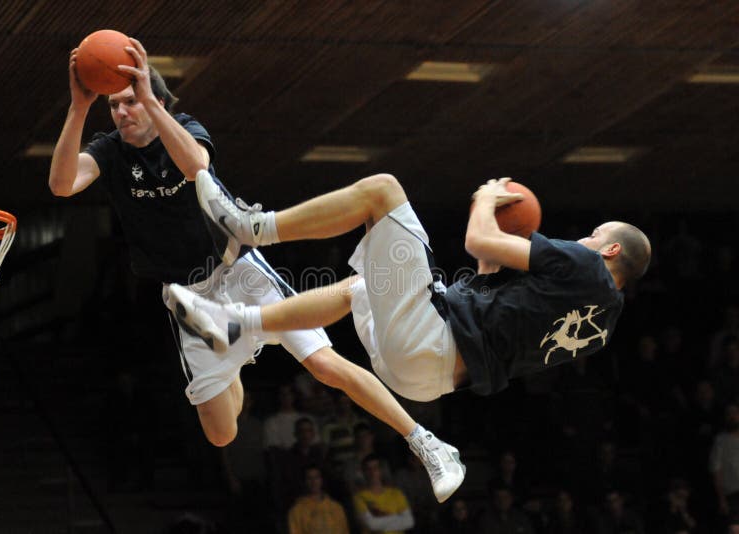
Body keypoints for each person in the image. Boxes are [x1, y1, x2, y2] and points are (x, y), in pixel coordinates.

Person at [47, 37, 463, 502]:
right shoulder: (109, 150)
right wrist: (79, 105)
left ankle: (429, 443)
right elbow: (62, 184)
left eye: (129, 102)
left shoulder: (184, 127)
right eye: (114, 106)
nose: (121, 113)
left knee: (326, 366)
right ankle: (240, 353)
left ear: (154, 98)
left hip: (239, 268)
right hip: (190, 299)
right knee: (222, 434)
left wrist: (148, 101)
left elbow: (195, 166)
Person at [166, 172, 651, 406]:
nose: (586, 239)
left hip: (431, 338)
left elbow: (476, 239)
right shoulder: (602, 327)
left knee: (383, 190)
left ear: (609, 252)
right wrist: (499, 251)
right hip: (427, 383)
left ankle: (253, 226)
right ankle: (237, 325)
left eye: (595, 235)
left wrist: (484, 200)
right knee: (359, 289)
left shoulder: (587, 266)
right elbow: (488, 279)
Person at [352, 454, 414, 534]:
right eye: (368, 469)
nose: (372, 472)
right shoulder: (359, 497)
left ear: (380, 470)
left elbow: (409, 522)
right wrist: (397, 518)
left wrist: (379, 520)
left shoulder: (396, 493)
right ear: (363, 472)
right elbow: (371, 524)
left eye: (375, 468)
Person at [287, 465, 350, 534]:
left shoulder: (336, 508)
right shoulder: (297, 510)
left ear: (321, 480)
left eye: (316, 477)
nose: (313, 482)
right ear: (304, 482)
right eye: (309, 478)